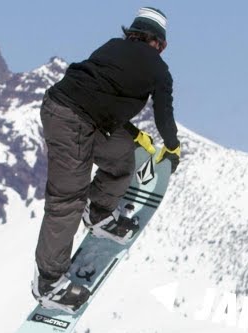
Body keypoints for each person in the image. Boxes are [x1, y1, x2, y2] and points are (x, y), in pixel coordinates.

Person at [32, 6, 181, 309]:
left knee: (124, 155)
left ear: (133, 33)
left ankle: (98, 212)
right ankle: (48, 283)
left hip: (74, 113)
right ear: (160, 43)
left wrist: (132, 133)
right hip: (70, 119)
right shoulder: (159, 70)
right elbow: (164, 114)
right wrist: (172, 146)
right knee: (67, 198)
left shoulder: (112, 47)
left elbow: (100, 94)